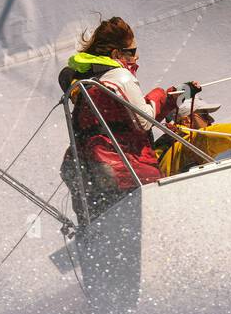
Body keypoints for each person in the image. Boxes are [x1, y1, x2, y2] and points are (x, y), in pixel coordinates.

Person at [57, 17, 197, 218]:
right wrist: (161, 94)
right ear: (116, 54)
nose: (137, 56)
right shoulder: (120, 76)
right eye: (132, 51)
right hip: (123, 172)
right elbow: (145, 121)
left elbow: (131, 114)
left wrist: (181, 92)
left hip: (90, 172)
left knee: (98, 231)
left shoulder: (86, 82)